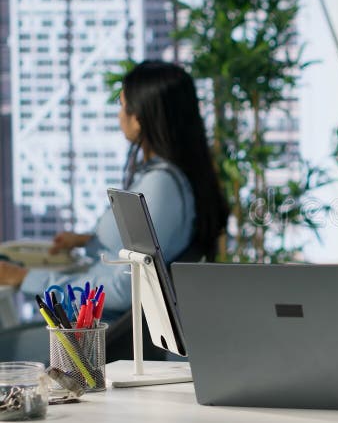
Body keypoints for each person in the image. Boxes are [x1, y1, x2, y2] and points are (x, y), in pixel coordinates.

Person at [0, 61, 229, 316]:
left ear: (140, 118)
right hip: (96, 326)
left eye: (122, 105)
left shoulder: (160, 186)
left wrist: (25, 278)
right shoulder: (165, 178)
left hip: (100, 336)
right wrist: (88, 242)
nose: (119, 115)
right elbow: (136, 252)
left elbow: (122, 290)